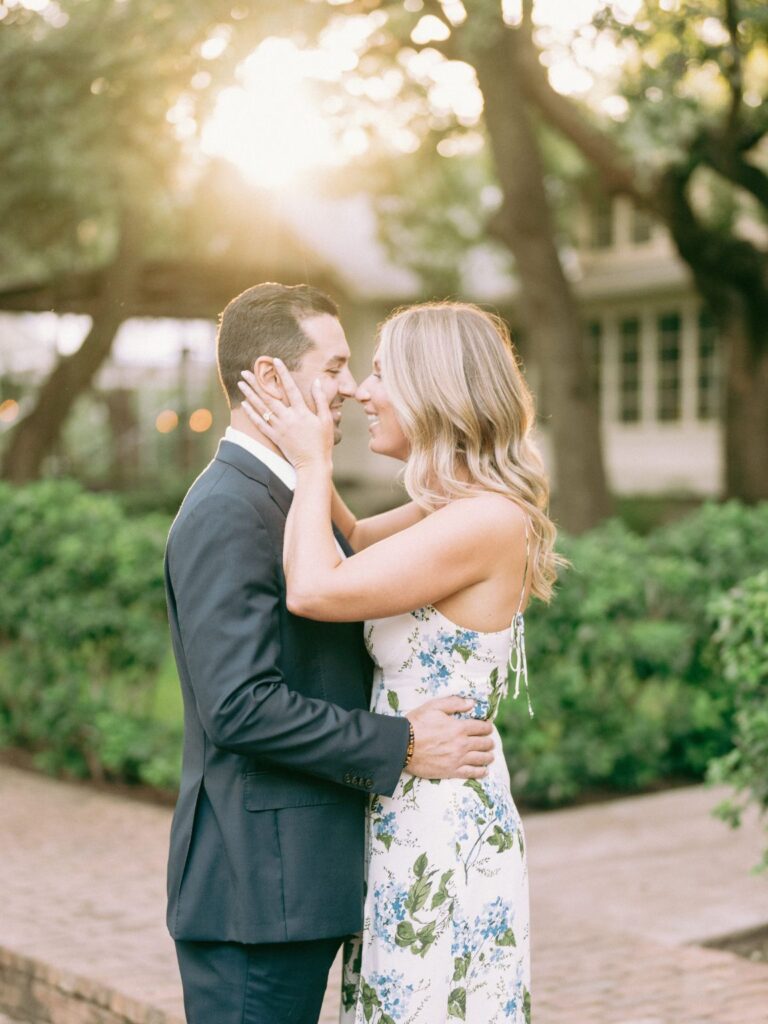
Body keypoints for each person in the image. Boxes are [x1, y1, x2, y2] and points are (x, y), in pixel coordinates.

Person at [163, 283, 497, 1024]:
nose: (350, 386)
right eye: (336, 364)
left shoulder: (289, 500)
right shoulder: (230, 509)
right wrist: (404, 742)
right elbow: (240, 708)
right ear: (274, 379)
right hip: (255, 893)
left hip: (300, 884)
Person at [237, 300, 560, 1024]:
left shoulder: (485, 520)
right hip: (405, 796)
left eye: (378, 372)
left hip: (442, 822)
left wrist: (315, 457)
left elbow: (317, 587)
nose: (360, 390)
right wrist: (296, 441)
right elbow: (344, 537)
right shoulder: (449, 508)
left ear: (431, 386)